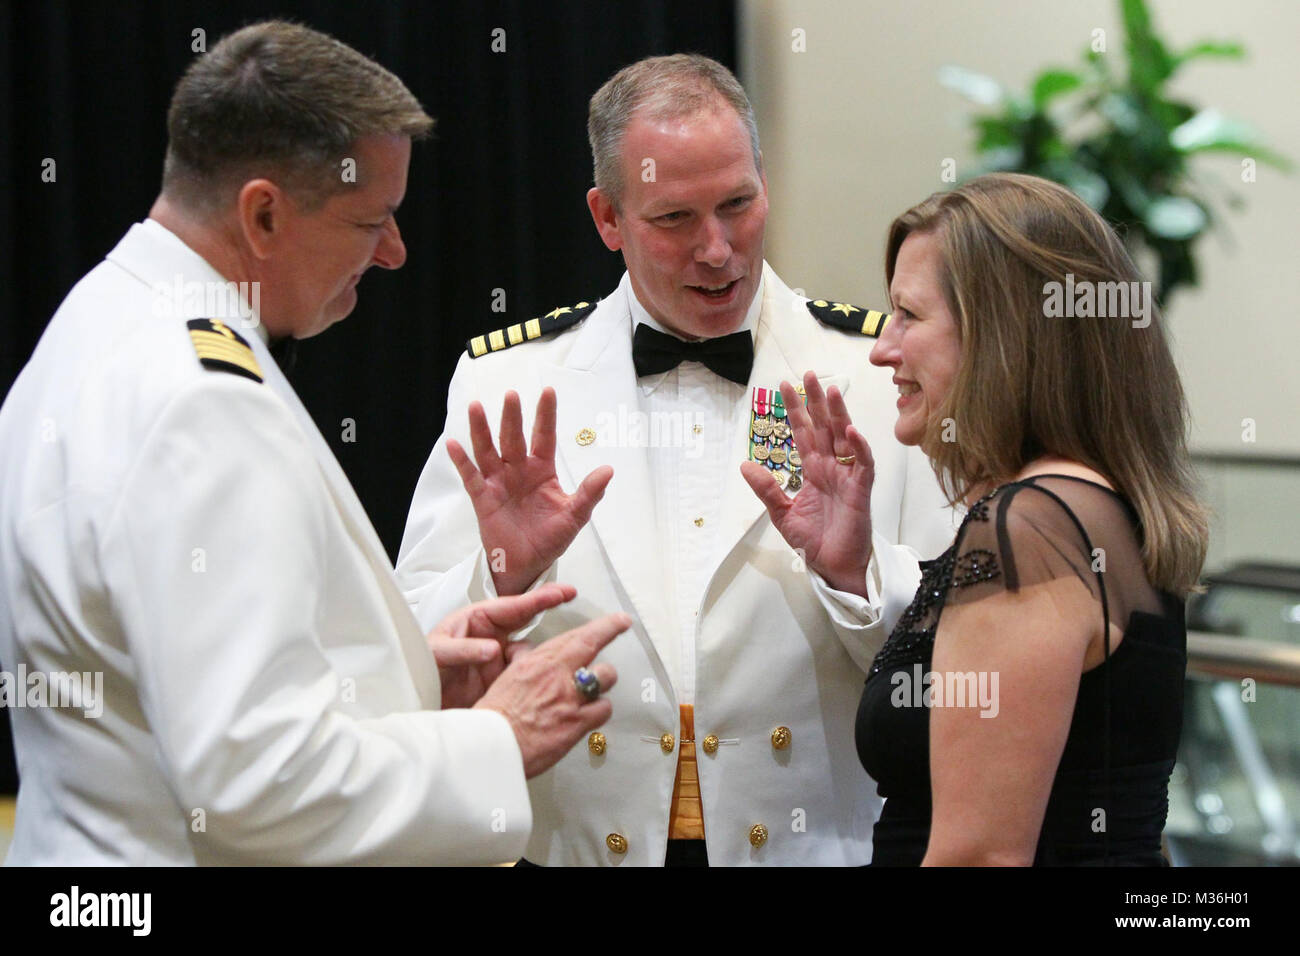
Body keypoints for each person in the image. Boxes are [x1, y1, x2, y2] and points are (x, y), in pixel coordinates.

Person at [0, 21, 628, 866]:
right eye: (373, 219)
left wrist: (396, 679)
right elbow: (256, 779)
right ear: (262, 213)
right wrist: (498, 738)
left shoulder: (101, 317)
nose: (397, 253)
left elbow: (165, 677)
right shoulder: (201, 401)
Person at [396, 54, 956, 866]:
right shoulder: (508, 380)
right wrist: (497, 577)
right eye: (674, 219)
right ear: (608, 218)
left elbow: (955, 674)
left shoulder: (875, 376)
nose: (718, 250)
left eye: (738, 203)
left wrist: (855, 578)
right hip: (577, 851)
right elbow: (411, 654)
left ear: (766, 180)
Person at [787, 172, 1207, 865]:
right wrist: (847, 569)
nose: (882, 349)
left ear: (1002, 335)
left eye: (909, 316)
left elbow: (980, 857)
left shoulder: (1032, 525)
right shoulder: (1095, 510)